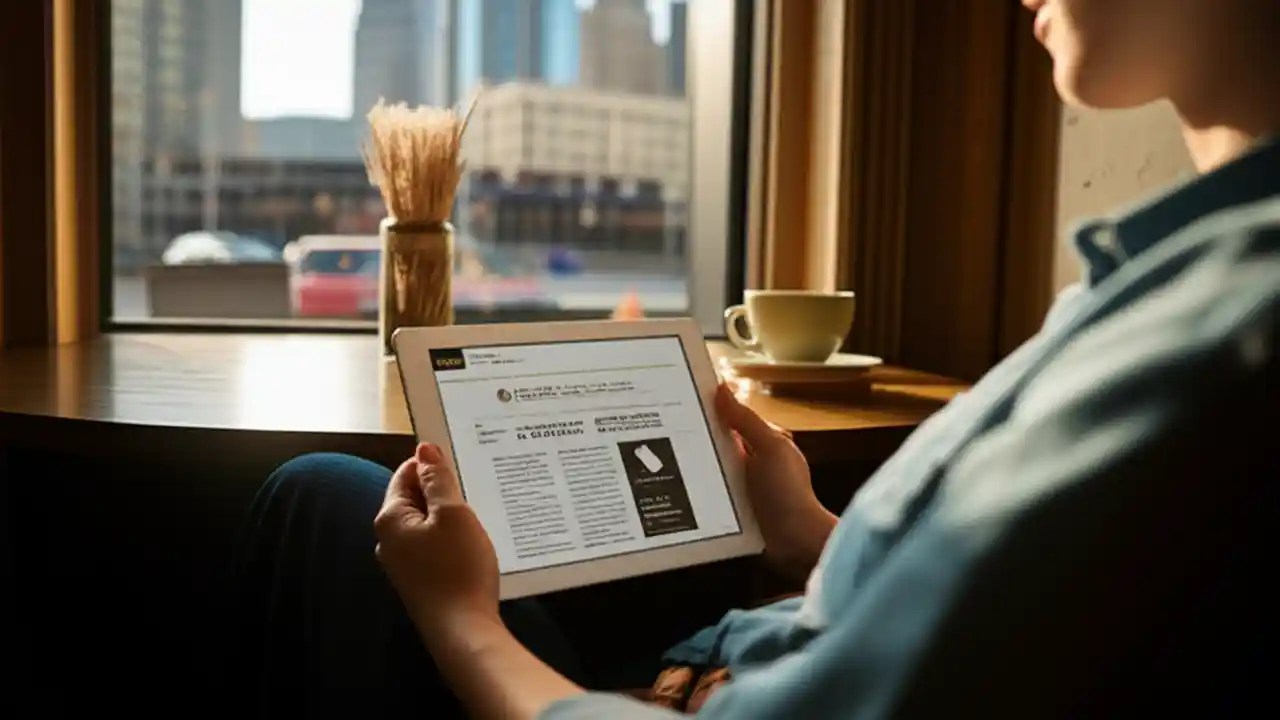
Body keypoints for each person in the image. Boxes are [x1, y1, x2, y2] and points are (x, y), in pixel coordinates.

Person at [229, 0, 1279, 716]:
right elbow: (1031, 615)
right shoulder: (1179, 277)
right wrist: (808, 534)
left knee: (320, 497)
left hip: (715, 689)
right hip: (745, 647)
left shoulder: (1220, 336)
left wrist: (458, 618)